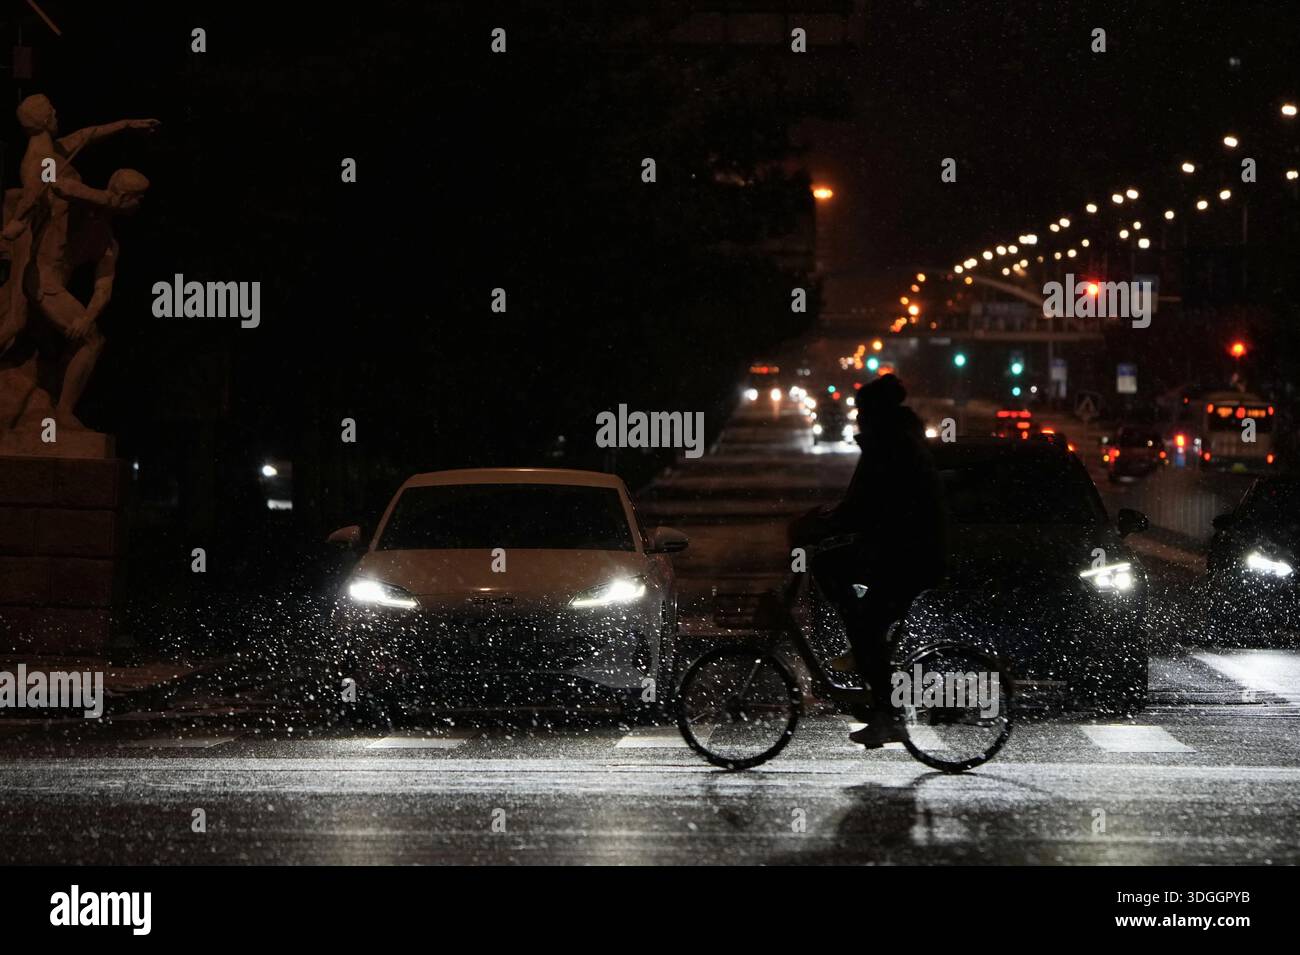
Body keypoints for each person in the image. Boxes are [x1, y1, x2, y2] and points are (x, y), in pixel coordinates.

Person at [788, 374, 947, 747]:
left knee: (866, 627)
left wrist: (821, 527)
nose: (857, 418)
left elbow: (864, 506)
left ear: (874, 413)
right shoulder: (894, 439)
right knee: (831, 567)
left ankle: (887, 714)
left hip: (909, 556)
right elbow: (860, 505)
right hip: (898, 549)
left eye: (861, 411)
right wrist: (828, 524)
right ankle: (862, 651)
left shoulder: (891, 446)